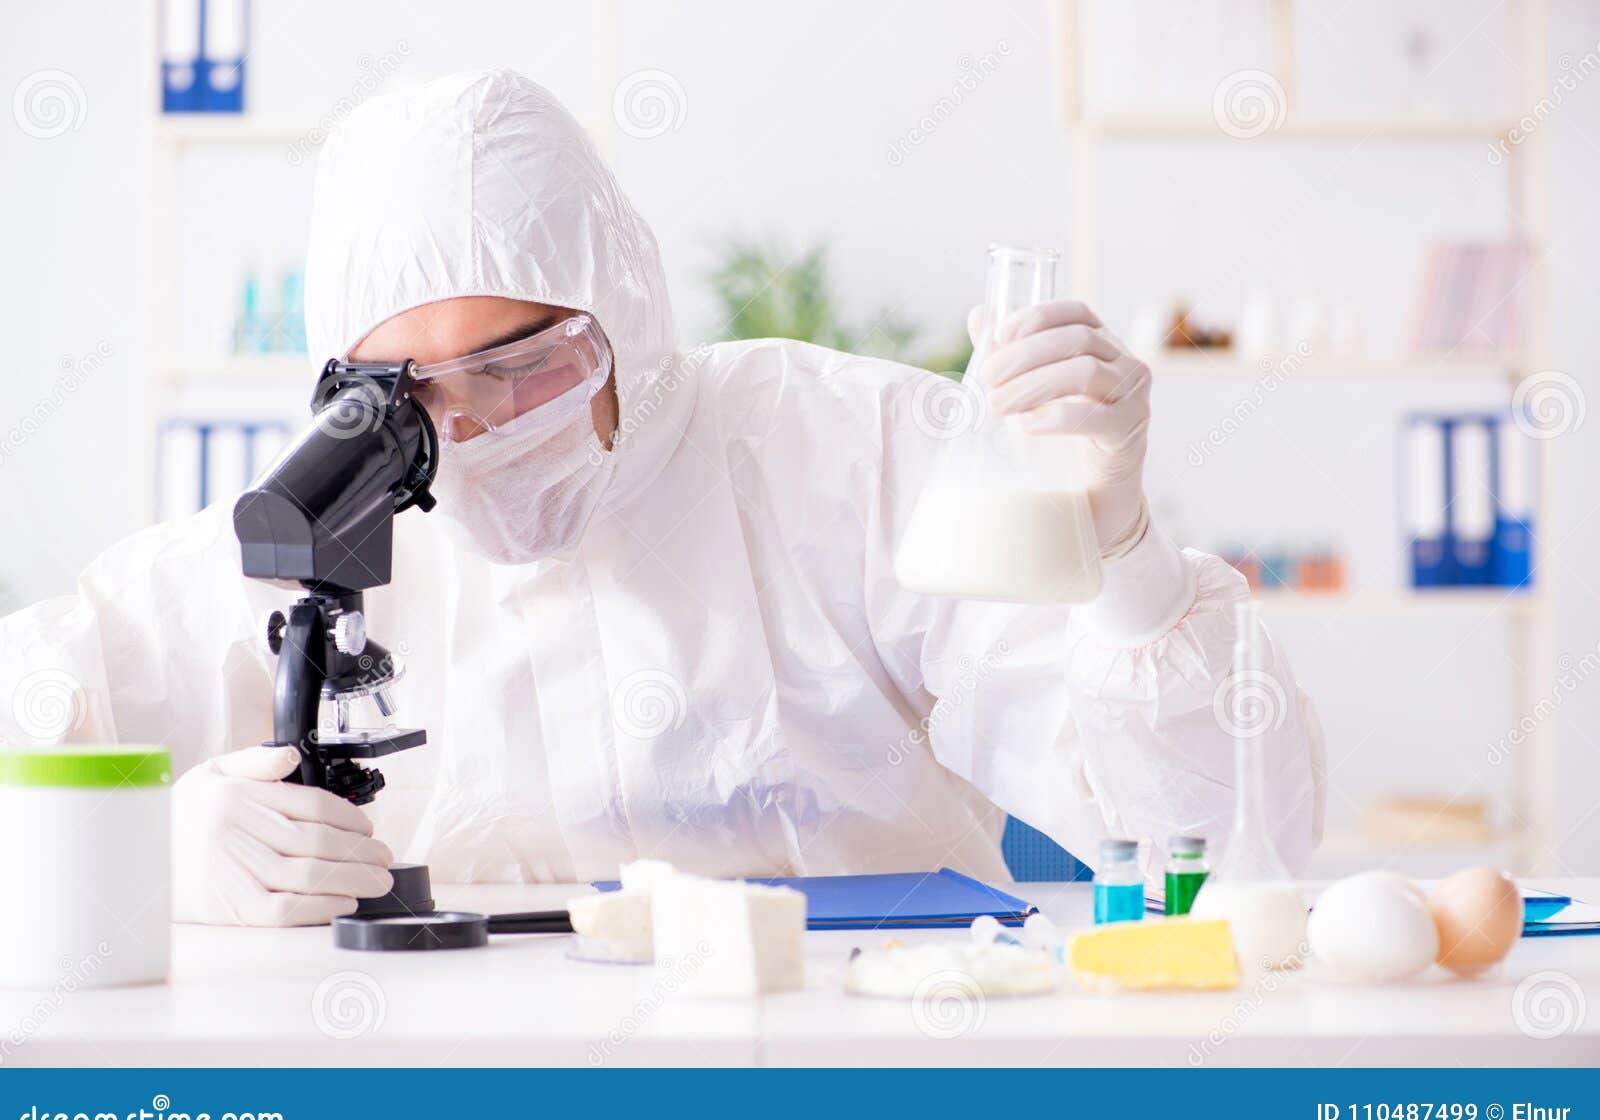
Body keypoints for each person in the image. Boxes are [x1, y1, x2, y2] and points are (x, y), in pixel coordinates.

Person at [0, 70, 1325, 926]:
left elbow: (1219, 851)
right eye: (416, 393)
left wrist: (1126, 551)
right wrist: (123, 852)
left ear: (622, 311)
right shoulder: (314, 533)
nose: (477, 425)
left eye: (527, 365)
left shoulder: (842, 450)